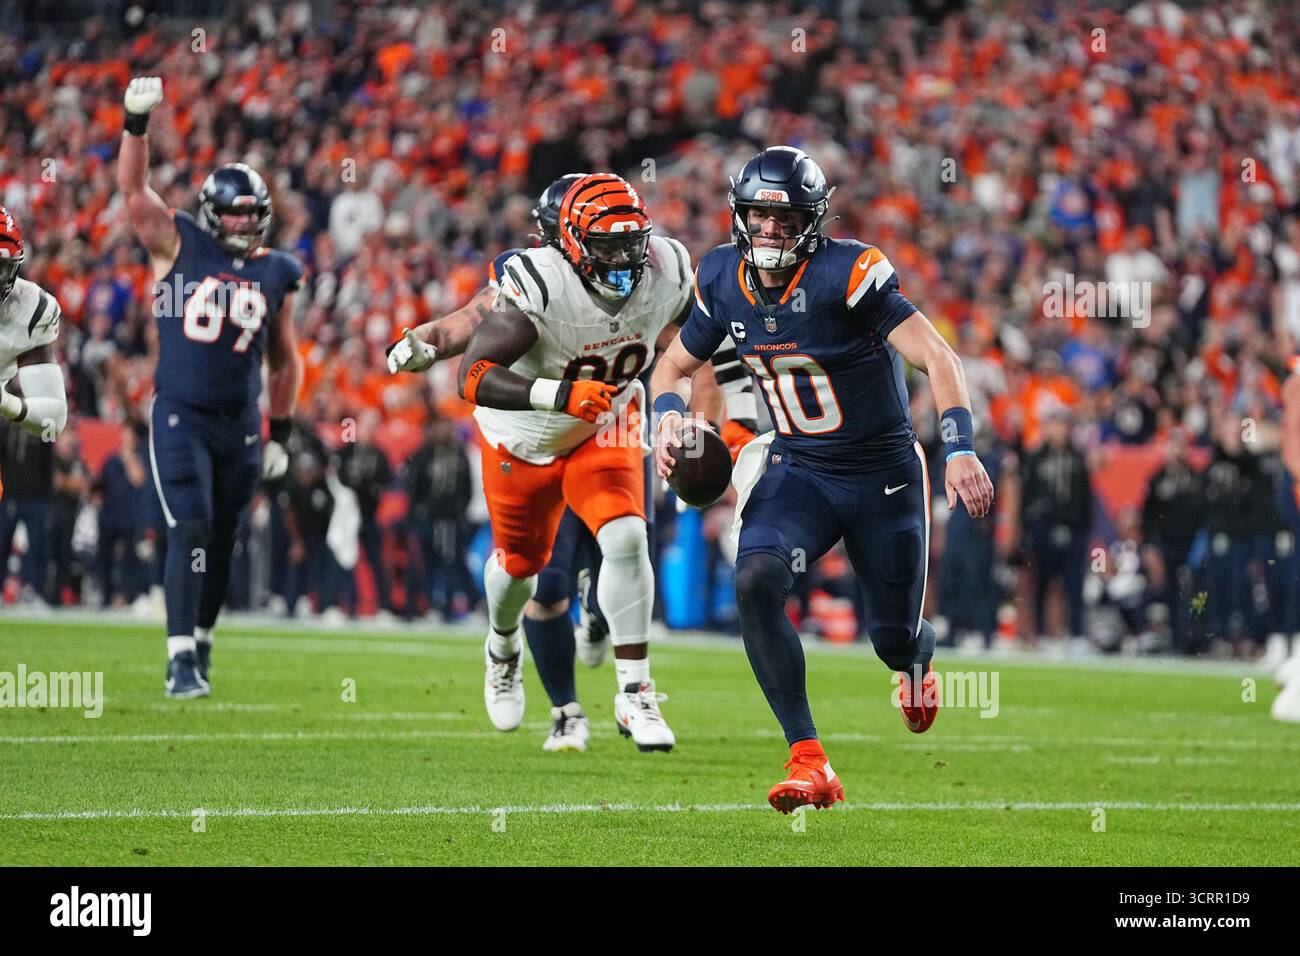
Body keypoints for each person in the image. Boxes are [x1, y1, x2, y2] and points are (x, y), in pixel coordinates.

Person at [650, 145, 994, 813]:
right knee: (755, 579)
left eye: (786, 220)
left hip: (882, 474)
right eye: (760, 217)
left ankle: (916, 662)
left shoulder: (849, 273)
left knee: (891, 638)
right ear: (739, 216)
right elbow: (672, 370)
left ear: (813, 221)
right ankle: (809, 759)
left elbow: (937, 355)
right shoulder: (722, 278)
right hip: (801, 465)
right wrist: (668, 420)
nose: (771, 231)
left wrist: (959, 447)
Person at [452, 173, 709, 753]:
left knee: (626, 539)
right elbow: (471, 376)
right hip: (525, 436)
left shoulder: (667, 268)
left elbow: (702, 339)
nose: (622, 257)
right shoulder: (541, 284)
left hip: (605, 423)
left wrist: (699, 415)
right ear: (568, 245)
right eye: (606, 245)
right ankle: (501, 644)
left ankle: (635, 690)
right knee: (522, 570)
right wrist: (556, 394)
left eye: (630, 242)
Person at [117, 76, 303, 697]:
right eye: (236, 214)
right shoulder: (180, 244)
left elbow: (285, 362)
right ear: (211, 215)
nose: (246, 224)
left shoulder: (276, 270)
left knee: (223, 538)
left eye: (254, 215)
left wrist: (283, 431)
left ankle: (200, 643)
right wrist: (135, 124)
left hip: (242, 423)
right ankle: (176, 661)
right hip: (181, 413)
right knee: (190, 527)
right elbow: (133, 190)